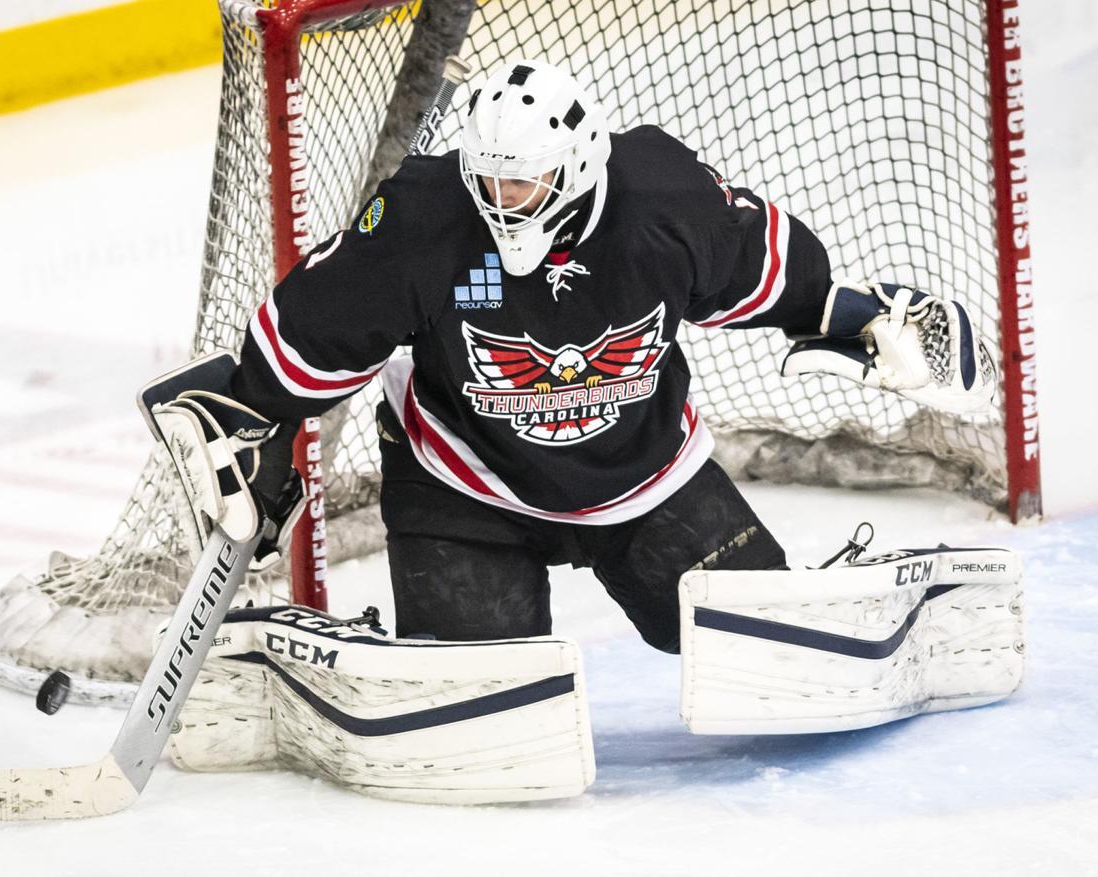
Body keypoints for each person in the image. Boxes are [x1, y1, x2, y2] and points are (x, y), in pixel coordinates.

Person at [142, 59, 993, 654]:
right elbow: (315, 328)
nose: (503, 201)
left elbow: (777, 279)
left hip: (642, 473)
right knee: (479, 686)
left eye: (526, 184)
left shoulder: (661, 202)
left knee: (759, 636)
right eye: (490, 180)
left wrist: (865, 317)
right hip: (464, 483)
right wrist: (252, 413)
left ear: (580, 166)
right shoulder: (424, 219)